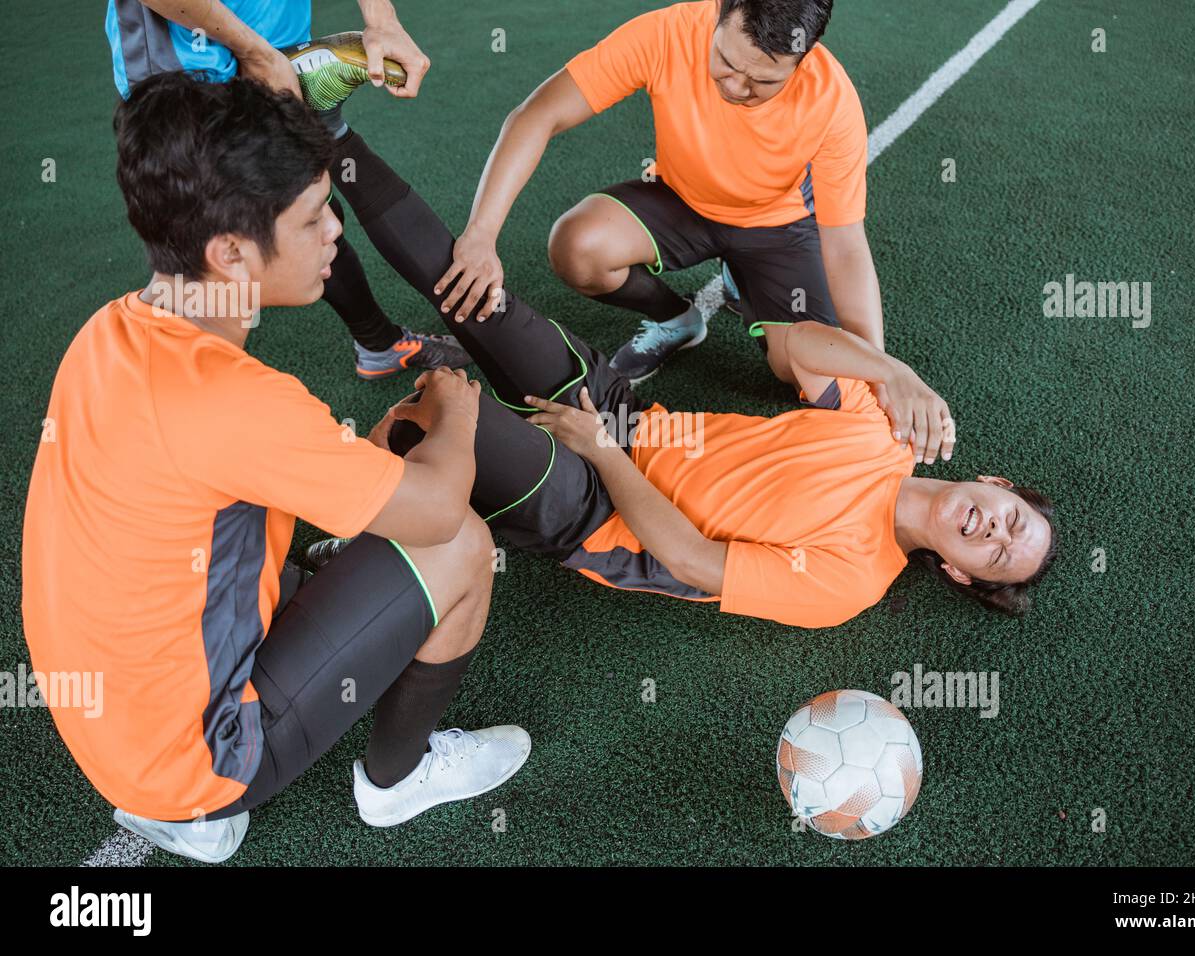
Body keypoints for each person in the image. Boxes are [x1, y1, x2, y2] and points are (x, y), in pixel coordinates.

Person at [21, 73, 529, 865]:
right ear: (228, 252)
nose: (334, 232)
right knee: (459, 543)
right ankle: (397, 781)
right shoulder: (237, 402)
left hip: (110, 723)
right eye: (312, 216)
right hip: (194, 761)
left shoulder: (106, 332)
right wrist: (458, 409)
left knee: (349, 478)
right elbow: (431, 513)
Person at [303, 137, 1059, 625]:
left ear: (958, 575)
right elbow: (796, 342)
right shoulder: (887, 429)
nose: (992, 531)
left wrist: (601, 455)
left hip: (596, 511)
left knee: (445, 414)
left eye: (995, 554)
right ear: (995, 483)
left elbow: (692, 561)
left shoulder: (851, 583)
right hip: (627, 417)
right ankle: (332, 131)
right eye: (1010, 520)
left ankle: (354, 537)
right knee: (471, 291)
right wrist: (892, 369)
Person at [438, 0, 886, 385]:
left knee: (808, 372)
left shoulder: (833, 101)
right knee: (577, 247)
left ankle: (742, 275)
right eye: (726, 63)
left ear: (804, 57)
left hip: (776, 225)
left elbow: (846, 246)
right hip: (681, 198)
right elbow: (538, 114)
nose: (734, 86)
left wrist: (879, 368)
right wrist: (481, 233)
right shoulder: (667, 32)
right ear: (720, 11)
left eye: (762, 82)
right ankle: (676, 318)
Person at [105, 0, 471, 378]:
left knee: (309, 211)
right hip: (192, 67)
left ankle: (376, 342)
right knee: (208, 247)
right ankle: (196, 391)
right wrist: (255, 53)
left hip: (277, 46)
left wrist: (381, 19)